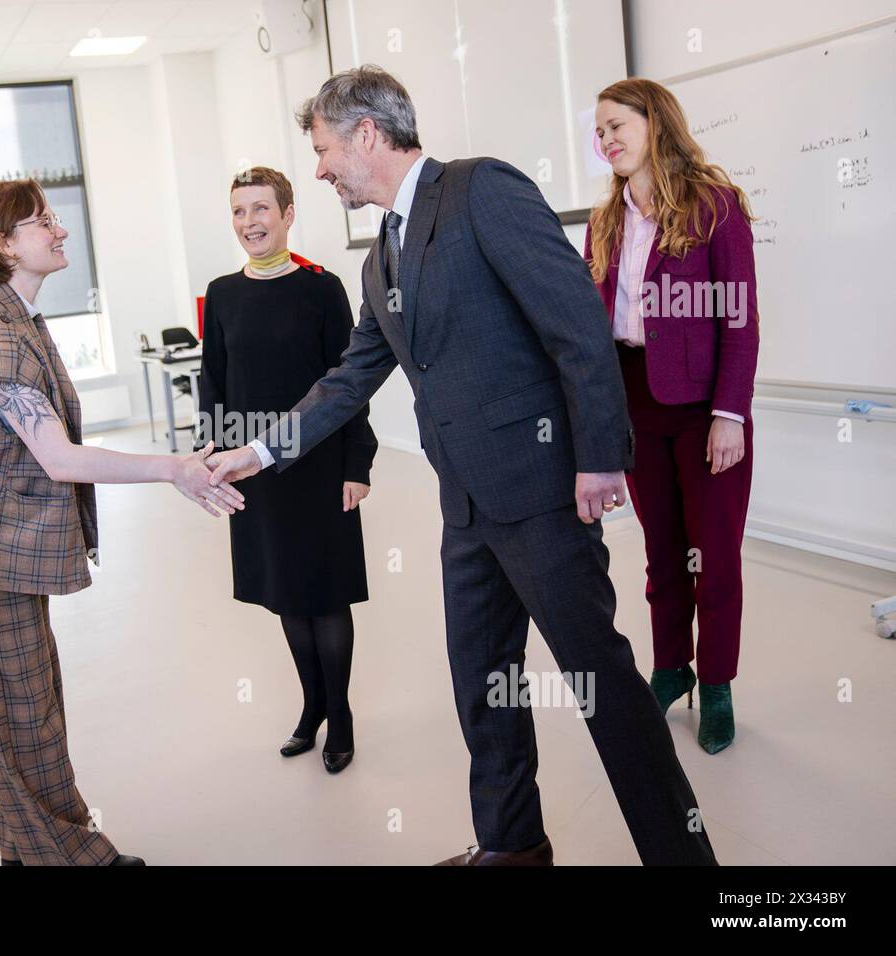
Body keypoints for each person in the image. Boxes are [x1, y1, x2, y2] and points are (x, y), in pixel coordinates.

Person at [206, 65, 717, 865]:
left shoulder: (482, 192)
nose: (319, 167)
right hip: (467, 512)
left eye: (323, 148)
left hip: (543, 495)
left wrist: (597, 458)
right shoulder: (383, 259)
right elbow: (350, 378)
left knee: (604, 689)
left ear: (366, 135)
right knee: (484, 689)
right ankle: (512, 848)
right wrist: (261, 448)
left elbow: (576, 322)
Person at [0, 178, 244, 866]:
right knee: (20, 716)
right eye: (40, 222)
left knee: (25, 710)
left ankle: (26, 855)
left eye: (55, 218)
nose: (59, 230)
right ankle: (79, 855)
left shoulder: (13, 315)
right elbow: (58, 458)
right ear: (2, 243)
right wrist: (172, 469)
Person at [586, 78, 758, 755]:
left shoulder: (714, 207)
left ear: (656, 122)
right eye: (598, 131)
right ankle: (670, 669)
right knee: (661, 555)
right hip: (635, 405)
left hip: (701, 408)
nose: (607, 139)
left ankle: (715, 684)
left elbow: (739, 322)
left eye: (617, 124)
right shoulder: (606, 221)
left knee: (713, 559)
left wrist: (730, 415)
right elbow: (593, 323)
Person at [198, 166, 376, 772]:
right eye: (240, 211)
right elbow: (213, 383)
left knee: (324, 595)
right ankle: (313, 707)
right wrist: (212, 457)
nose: (250, 222)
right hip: (253, 470)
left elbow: (350, 386)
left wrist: (358, 462)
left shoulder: (322, 289)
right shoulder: (221, 294)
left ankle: (342, 713)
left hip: (320, 466)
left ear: (289, 213)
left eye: (262, 209)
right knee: (283, 594)